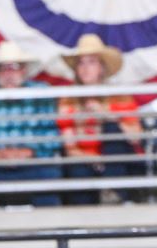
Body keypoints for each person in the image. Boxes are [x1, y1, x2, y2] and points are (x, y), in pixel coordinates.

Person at [0, 39, 62, 206]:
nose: (9, 74)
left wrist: (30, 152)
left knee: (49, 174)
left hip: (32, 164)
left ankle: (50, 227)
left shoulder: (41, 94)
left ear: (24, 70)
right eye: (4, 68)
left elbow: (52, 136)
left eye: (14, 68)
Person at [52, 32, 139, 202]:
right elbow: (69, 146)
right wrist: (93, 159)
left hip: (119, 162)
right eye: (81, 63)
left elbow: (135, 137)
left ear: (102, 67)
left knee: (112, 129)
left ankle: (112, 190)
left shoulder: (120, 97)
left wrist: (106, 115)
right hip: (83, 161)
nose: (85, 68)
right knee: (79, 171)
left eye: (91, 62)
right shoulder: (68, 100)